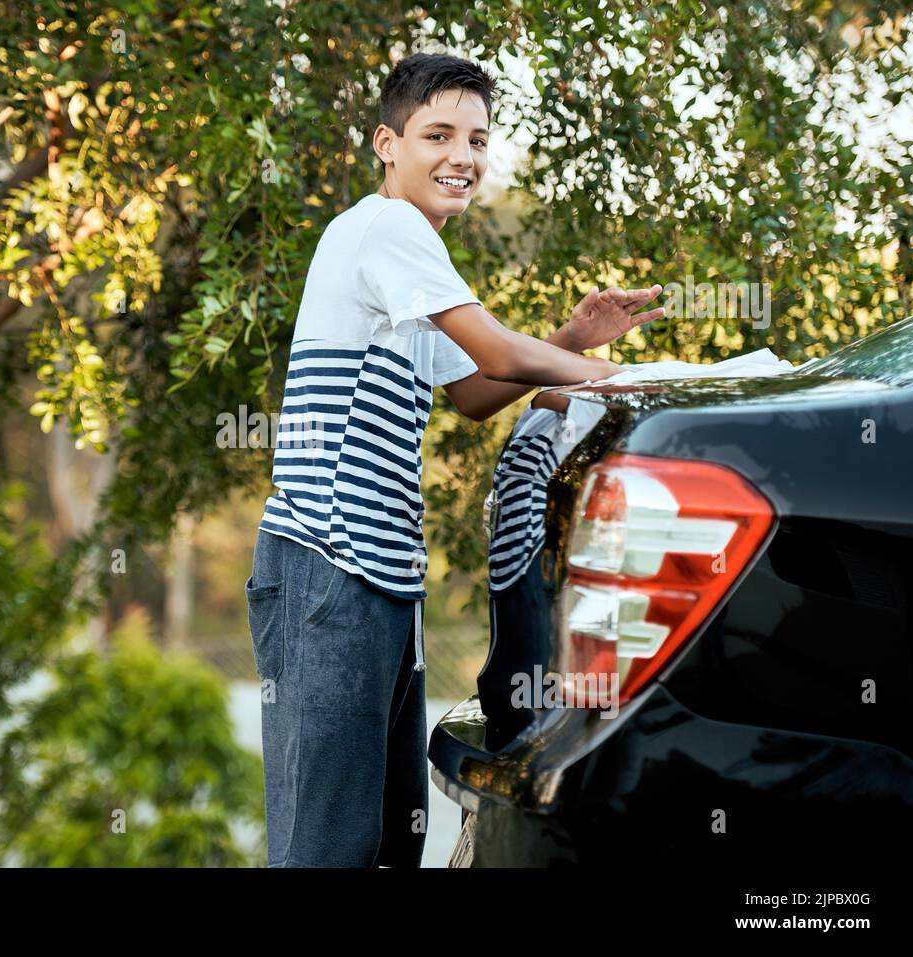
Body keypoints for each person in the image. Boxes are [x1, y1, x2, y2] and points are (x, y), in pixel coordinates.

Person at [245, 51, 664, 867]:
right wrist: (631, 380)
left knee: (392, 839)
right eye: (438, 134)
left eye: (477, 138)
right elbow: (495, 348)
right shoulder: (386, 227)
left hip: (380, 582)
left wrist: (574, 340)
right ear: (386, 143)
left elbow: (475, 387)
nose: (462, 157)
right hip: (324, 566)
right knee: (327, 847)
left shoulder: (413, 257)